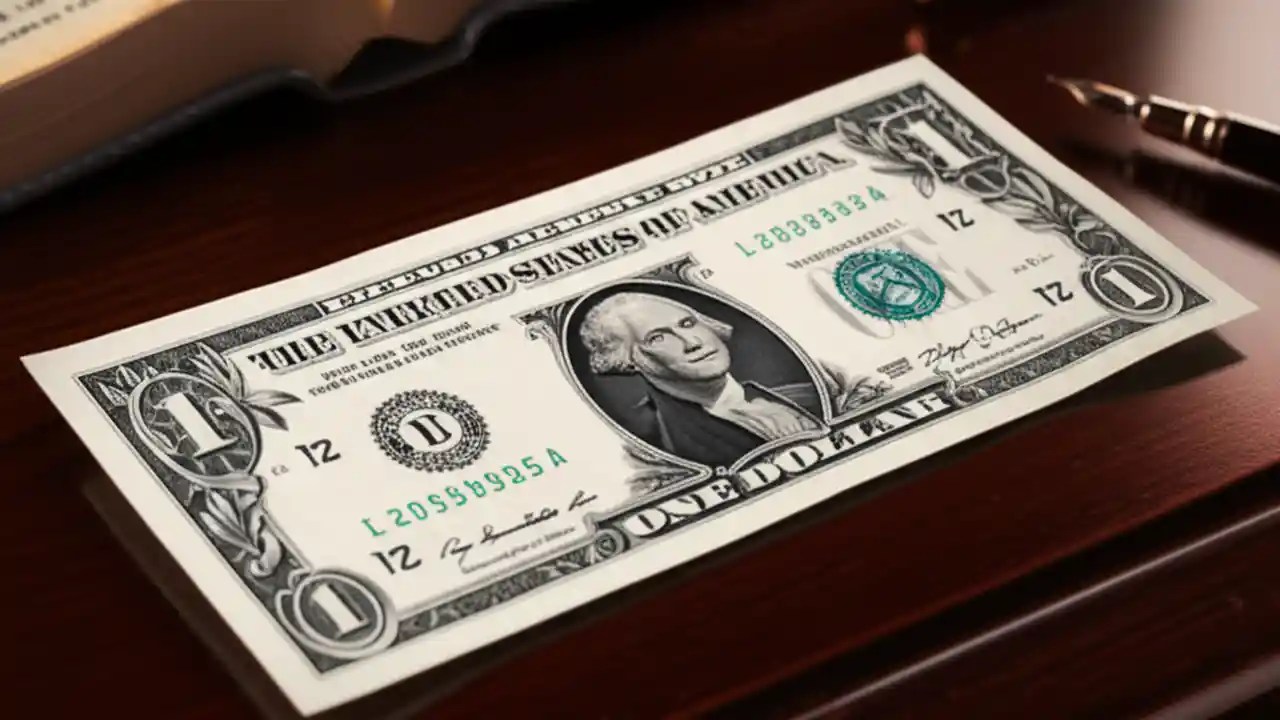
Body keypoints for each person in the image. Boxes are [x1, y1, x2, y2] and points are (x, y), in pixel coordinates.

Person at [580, 291, 823, 467]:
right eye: (657, 338)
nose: (693, 343)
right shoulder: (656, 449)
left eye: (687, 324)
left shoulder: (810, 394)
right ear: (627, 360)